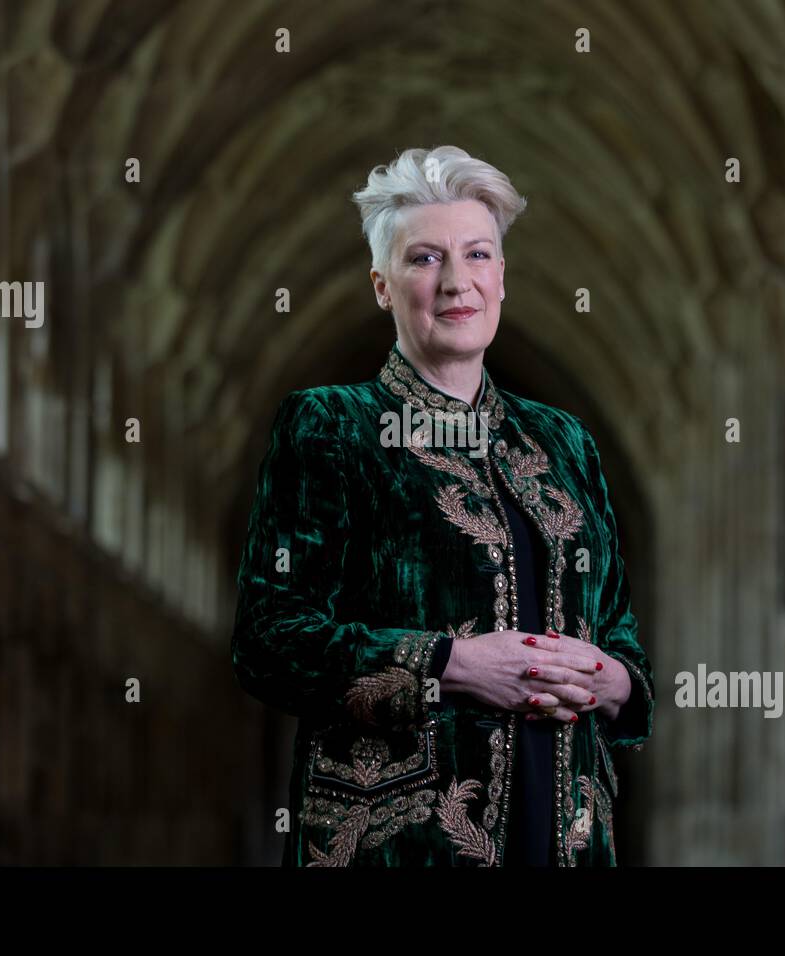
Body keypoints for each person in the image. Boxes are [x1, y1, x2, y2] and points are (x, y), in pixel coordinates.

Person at [231, 145, 654, 866]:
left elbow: (619, 637)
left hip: (568, 838)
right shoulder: (331, 425)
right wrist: (449, 663)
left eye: (478, 254)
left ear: (502, 275)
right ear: (382, 286)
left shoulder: (566, 444)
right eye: (425, 259)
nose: (457, 282)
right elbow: (271, 642)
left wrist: (611, 680)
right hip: (398, 844)